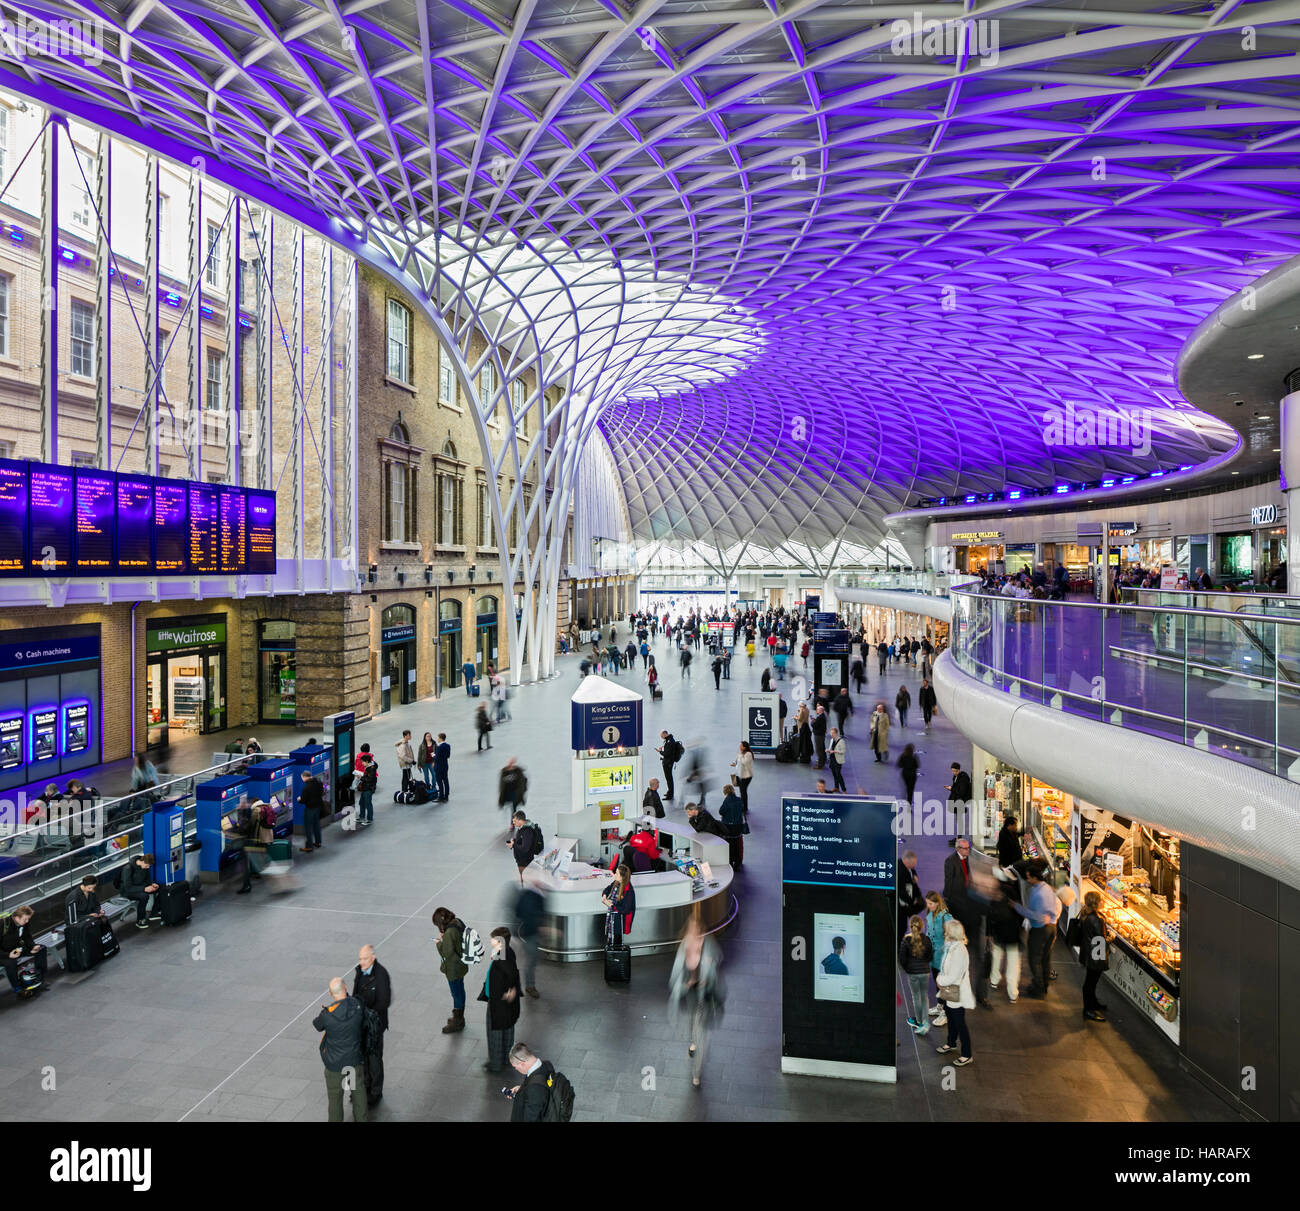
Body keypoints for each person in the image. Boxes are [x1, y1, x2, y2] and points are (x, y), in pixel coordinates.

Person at [669, 910, 725, 1088]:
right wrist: (683, 984)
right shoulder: (685, 945)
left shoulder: (707, 943)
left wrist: (709, 971)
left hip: (705, 993)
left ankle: (697, 1073)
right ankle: (693, 1041)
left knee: (702, 1033)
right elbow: (677, 971)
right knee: (692, 1023)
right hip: (690, 992)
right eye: (690, 929)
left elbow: (718, 957)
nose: (692, 933)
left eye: (695, 929)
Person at [312, 977, 368, 1122]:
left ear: (330, 993)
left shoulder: (327, 1015)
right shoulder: (357, 1007)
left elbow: (317, 1025)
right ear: (346, 988)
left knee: (335, 1099)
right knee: (357, 1092)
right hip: (353, 1061)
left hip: (334, 1065)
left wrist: (326, 1009)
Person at [352, 943, 392, 1105]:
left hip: (375, 1025)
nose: (361, 962)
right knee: (364, 1057)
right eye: (360, 959)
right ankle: (366, 1085)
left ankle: (376, 1091)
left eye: (365, 959)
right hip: (362, 1023)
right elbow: (356, 994)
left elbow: (384, 1001)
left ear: (373, 958)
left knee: (375, 1058)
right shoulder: (360, 971)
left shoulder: (381, 975)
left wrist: (368, 1014)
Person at [480, 927, 523, 1072]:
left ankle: (495, 1064)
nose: (491, 940)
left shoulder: (502, 959)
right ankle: (506, 1058)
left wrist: (510, 990)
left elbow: (510, 973)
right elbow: (513, 973)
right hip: (507, 1005)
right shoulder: (507, 952)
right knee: (507, 1030)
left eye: (493, 938)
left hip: (498, 1003)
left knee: (495, 1033)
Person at [1015, 863, 1059, 998]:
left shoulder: (1039, 894)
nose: (1027, 880)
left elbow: (1036, 916)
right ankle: (1044, 985)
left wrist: (1017, 907)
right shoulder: (1047, 888)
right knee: (1046, 958)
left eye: (1029, 877)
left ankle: (1038, 988)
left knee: (1034, 959)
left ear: (1035, 877)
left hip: (1040, 930)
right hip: (1052, 928)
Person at [934, 919, 974, 1065]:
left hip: (957, 992)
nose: (945, 932)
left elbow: (954, 975)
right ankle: (951, 1043)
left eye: (947, 930)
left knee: (959, 1023)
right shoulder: (952, 946)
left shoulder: (959, 951)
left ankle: (967, 1054)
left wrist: (940, 981)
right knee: (951, 1018)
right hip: (950, 991)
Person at [432, 907, 469, 1033]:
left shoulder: (449, 933)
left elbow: (446, 952)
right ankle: (459, 1017)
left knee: (456, 993)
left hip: (453, 968)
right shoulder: (457, 922)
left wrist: (438, 942)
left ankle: (458, 1021)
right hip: (461, 964)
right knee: (460, 990)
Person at [1078, 890, 1112, 1022]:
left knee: (1091, 981)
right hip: (1095, 955)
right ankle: (1088, 1009)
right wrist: (1111, 938)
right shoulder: (1096, 919)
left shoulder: (1085, 913)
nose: (1103, 902)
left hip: (1088, 952)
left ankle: (1093, 1003)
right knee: (1090, 982)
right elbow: (1101, 940)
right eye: (1101, 900)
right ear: (1096, 903)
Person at [987, 882, 1022, 1003]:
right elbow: (1019, 911)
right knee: (1013, 965)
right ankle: (1012, 993)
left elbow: (989, 916)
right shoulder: (1012, 891)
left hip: (998, 933)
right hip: (1013, 934)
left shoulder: (992, 894)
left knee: (996, 958)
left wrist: (989, 933)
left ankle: (994, 980)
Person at [2, 905, 47, 997]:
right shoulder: (3, 923)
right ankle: (18, 989)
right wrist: (7, 955)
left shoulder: (24, 923)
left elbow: (27, 937)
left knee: (41, 949)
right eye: (25, 919)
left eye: (28, 919)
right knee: (10, 963)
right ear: (17, 918)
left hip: (16, 949)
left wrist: (33, 946)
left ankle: (39, 978)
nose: (27, 921)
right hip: (3, 953)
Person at [900, 915, 934, 1033]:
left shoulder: (906, 940)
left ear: (910, 926)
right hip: (925, 973)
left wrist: (908, 969)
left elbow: (902, 960)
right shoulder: (927, 939)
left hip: (913, 974)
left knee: (916, 997)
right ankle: (926, 1022)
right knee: (924, 997)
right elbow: (930, 957)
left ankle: (919, 1022)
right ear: (922, 926)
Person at [507, 1043, 557, 1121]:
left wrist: (529, 1090)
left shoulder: (535, 1089)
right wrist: (522, 1089)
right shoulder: (547, 1065)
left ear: (522, 1064)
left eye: (515, 1067)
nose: (516, 1069)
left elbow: (531, 1118)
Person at [515, 873, 544, 999]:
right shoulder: (531, 896)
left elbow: (517, 912)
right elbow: (527, 914)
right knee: (531, 959)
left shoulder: (529, 895)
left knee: (532, 958)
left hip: (529, 931)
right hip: (530, 932)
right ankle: (529, 986)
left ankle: (529, 985)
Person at [924, 892, 952, 1024]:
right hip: (933, 956)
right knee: (937, 982)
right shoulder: (930, 915)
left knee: (943, 985)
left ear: (937, 903)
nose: (928, 906)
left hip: (943, 957)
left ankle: (945, 1014)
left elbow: (953, 934)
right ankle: (940, 1006)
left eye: (931, 903)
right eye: (927, 903)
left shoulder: (945, 917)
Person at [121, 853, 161, 928]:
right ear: (142, 861)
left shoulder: (144, 867)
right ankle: (140, 920)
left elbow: (147, 879)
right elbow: (128, 887)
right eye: (147, 865)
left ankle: (154, 913)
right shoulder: (128, 868)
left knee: (160, 888)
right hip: (128, 892)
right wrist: (144, 888)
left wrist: (152, 884)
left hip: (140, 887)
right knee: (144, 896)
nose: (148, 867)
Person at [601, 863, 636, 944]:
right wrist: (605, 895)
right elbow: (608, 888)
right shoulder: (617, 882)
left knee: (617, 940)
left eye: (617, 873)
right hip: (614, 917)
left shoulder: (628, 890)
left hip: (620, 920)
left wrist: (611, 905)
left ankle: (615, 956)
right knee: (611, 939)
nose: (614, 875)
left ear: (622, 876)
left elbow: (625, 909)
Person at [897, 849, 924, 941]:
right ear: (906, 861)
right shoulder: (899, 872)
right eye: (913, 863)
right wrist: (912, 902)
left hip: (908, 898)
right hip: (902, 904)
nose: (914, 866)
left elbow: (912, 869)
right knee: (901, 926)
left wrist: (915, 875)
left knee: (921, 905)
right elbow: (901, 893)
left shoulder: (906, 866)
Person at [509, 809, 541, 883]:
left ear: (520, 820)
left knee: (526, 882)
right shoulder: (522, 829)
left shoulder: (527, 831)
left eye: (514, 821)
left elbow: (525, 848)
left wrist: (514, 845)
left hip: (525, 862)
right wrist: (513, 841)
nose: (513, 823)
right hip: (522, 861)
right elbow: (521, 841)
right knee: (525, 880)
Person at [717, 782, 745, 869]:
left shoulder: (727, 801)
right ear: (733, 791)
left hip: (728, 828)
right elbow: (742, 809)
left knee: (730, 845)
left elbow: (721, 811)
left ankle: (730, 862)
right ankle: (737, 863)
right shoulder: (739, 799)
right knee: (737, 845)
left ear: (725, 792)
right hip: (738, 827)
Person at [299, 768, 325, 848]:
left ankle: (309, 846)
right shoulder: (319, 782)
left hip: (310, 808)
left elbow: (303, 800)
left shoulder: (306, 788)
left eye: (302, 778)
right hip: (319, 806)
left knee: (308, 827)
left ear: (304, 777)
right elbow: (322, 791)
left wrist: (299, 799)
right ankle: (318, 842)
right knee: (316, 824)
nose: (302, 779)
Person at [945, 762, 972, 835]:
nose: (954, 773)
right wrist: (951, 788)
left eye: (956, 771)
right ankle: (959, 836)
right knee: (958, 818)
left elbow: (961, 792)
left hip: (961, 800)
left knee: (959, 819)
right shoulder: (956, 777)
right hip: (958, 799)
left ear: (959, 770)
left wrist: (951, 789)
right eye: (953, 771)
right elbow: (956, 787)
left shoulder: (963, 778)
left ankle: (959, 837)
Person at [730, 741, 754, 814]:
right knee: (742, 791)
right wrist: (735, 763)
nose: (739, 747)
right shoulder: (741, 754)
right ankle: (743, 806)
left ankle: (744, 808)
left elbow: (745, 762)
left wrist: (740, 756)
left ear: (744, 747)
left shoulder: (748, 754)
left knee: (743, 792)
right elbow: (738, 762)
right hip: (741, 775)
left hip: (746, 776)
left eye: (741, 746)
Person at [658, 730, 682, 801]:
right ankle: (669, 792)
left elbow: (666, 754)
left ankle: (670, 795)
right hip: (669, 762)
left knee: (669, 779)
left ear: (665, 734)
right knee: (668, 779)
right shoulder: (670, 740)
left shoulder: (669, 742)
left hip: (668, 763)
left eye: (662, 736)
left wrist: (660, 751)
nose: (661, 737)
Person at [356, 752, 378, 827]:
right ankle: (362, 817)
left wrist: (361, 777)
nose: (362, 763)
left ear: (367, 761)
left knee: (368, 804)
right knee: (362, 802)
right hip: (365, 788)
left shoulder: (371, 769)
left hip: (368, 788)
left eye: (363, 762)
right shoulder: (369, 767)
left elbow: (370, 779)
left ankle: (369, 819)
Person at [394, 729, 415, 794]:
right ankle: (404, 791)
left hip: (407, 764)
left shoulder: (406, 743)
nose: (410, 736)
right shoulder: (402, 745)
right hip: (405, 764)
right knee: (406, 778)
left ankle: (406, 790)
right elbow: (402, 756)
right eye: (409, 735)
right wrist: (411, 761)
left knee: (407, 777)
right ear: (405, 736)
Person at [827, 727, 847, 792]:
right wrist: (828, 750)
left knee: (838, 775)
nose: (832, 734)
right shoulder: (831, 740)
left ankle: (844, 790)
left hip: (838, 760)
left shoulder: (841, 741)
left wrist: (835, 751)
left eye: (833, 733)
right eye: (831, 733)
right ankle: (836, 787)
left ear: (836, 733)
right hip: (832, 759)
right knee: (834, 774)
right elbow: (830, 748)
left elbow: (843, 751)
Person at [433, 733, 451, 802]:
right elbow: (448, 756)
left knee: (439, 782)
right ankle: (446, 796)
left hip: (439, 767)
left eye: (438, 738)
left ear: (440, 738)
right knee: (446, 781)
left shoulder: (439, 747)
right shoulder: (448, 746)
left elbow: (436, 758)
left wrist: (433, 755)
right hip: (445, 765)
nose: (437, 739)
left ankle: (441, 796)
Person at [811, 704, 828, 769]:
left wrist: (812, 722)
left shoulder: (820, 717)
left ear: (820, 710)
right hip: (821, 735)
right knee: (822, 748)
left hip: (818, 735)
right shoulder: (822, 716)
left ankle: (820, 765)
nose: (816, 710)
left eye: (817, 709)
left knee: (819, 750)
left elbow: (814, 725)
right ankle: (822, 762)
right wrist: (815, 720)